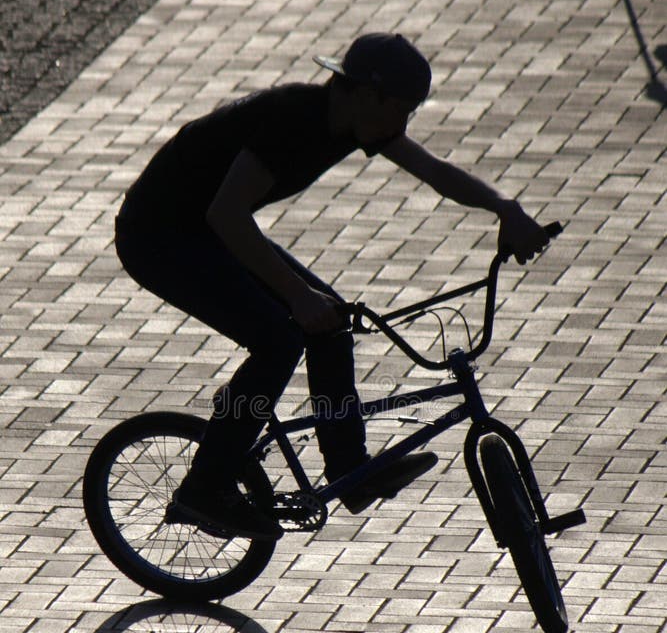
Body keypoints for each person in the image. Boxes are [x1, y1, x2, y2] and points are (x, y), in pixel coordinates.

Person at [115, 32, 549, 541]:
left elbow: (434, 171)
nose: (403, 126)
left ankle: (349, 471)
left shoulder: (354, 122)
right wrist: (297, 297)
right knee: (280, 338)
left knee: (331, 322)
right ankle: (204, 487)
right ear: (367, 95)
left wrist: (505, 207)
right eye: (402, 111)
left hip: (204, 231)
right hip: (159, 237)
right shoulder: (292, 121)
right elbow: (227, 213)